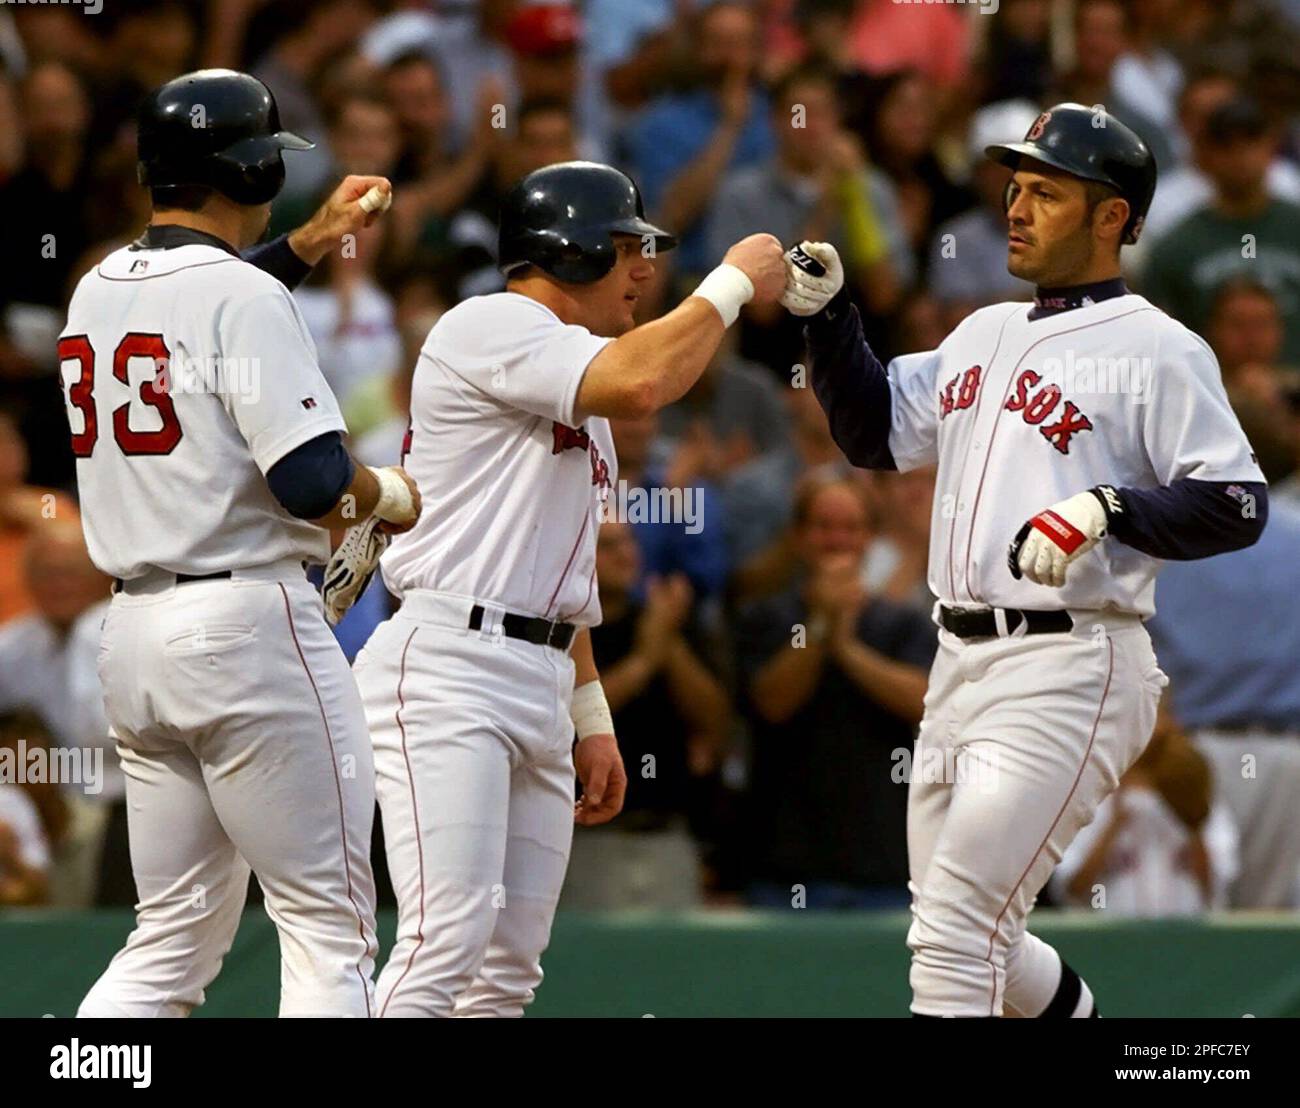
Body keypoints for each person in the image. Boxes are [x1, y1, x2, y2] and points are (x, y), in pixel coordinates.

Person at [784, 103, 1267, 1018]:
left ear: (1113, 216)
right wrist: (832, 320)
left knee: (958, 928)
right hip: (959, 661)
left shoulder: (1161, 347)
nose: (1017, 205)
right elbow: (876, 433)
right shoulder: (982, 332)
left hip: (1071, 659)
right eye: (1016, 186)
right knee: (976, 939)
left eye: (1047, 191)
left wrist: (1108, 505)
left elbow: (1236, 502)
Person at [352, 160, 785, 1017]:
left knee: (508, 968)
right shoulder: (488, 321)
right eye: (627, 248)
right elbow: (646, 378)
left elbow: (566, 578)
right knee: (447, 940)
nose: (644, 270)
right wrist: (732, 282)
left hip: (541, 670)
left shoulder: (588, 404)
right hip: (449, 663)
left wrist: (590, 713)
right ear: (572, 247)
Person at [60, 70, 422, 1018]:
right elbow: (310, 481)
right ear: (253, 168)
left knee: (169, 939)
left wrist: (305, 245)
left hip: (134, 637)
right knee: (327, 927)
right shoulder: (240, 298)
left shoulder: (95, 284)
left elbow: (204, 307)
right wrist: (388, 492)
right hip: (246, 626)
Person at [738, 475, 935, 909]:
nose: (838, 539)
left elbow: (921, 700)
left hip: (883, 864)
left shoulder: (902, 624)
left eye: (851, 528)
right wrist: (823, 626)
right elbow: (772, 702)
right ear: (799, 535)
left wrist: (846, 649)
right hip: (785, 865)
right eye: (824, 526)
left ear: (869, 537)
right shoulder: (767, 618)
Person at [560, 520, 730, 910]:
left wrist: (666, 645)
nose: (626, 554)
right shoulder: (561, 631)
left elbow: (715, 723)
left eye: (629, 542)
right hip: (586, 836)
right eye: (608, 545)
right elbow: (567, 726)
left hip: (668, 833)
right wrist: (643, 662)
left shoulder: (665, 622)